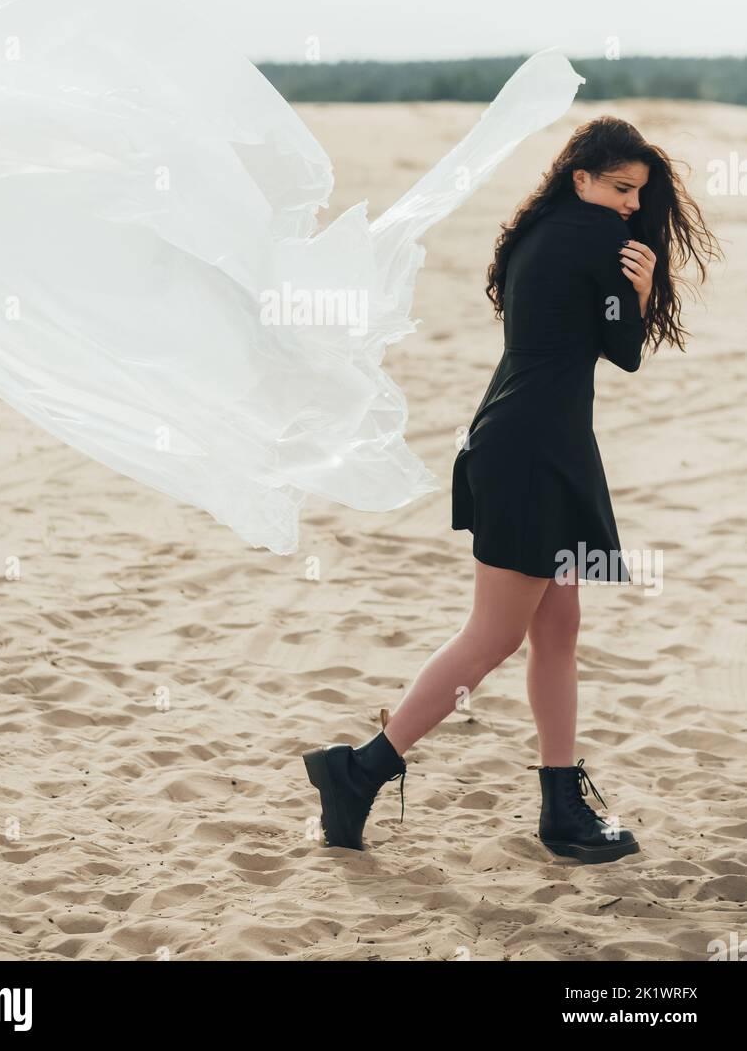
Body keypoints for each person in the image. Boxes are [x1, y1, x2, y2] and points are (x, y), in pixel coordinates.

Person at [303, 116, 721, 863]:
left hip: (527, 441)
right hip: (535, 451)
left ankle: (561, 805)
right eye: (621, 188)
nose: (630, 204)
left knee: (557, 630)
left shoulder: (536, 231)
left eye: (637, 194)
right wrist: (644, 285)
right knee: (495, 634)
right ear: (582, 178)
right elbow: (622, 353)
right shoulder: (598, 237)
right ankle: (360, 769)